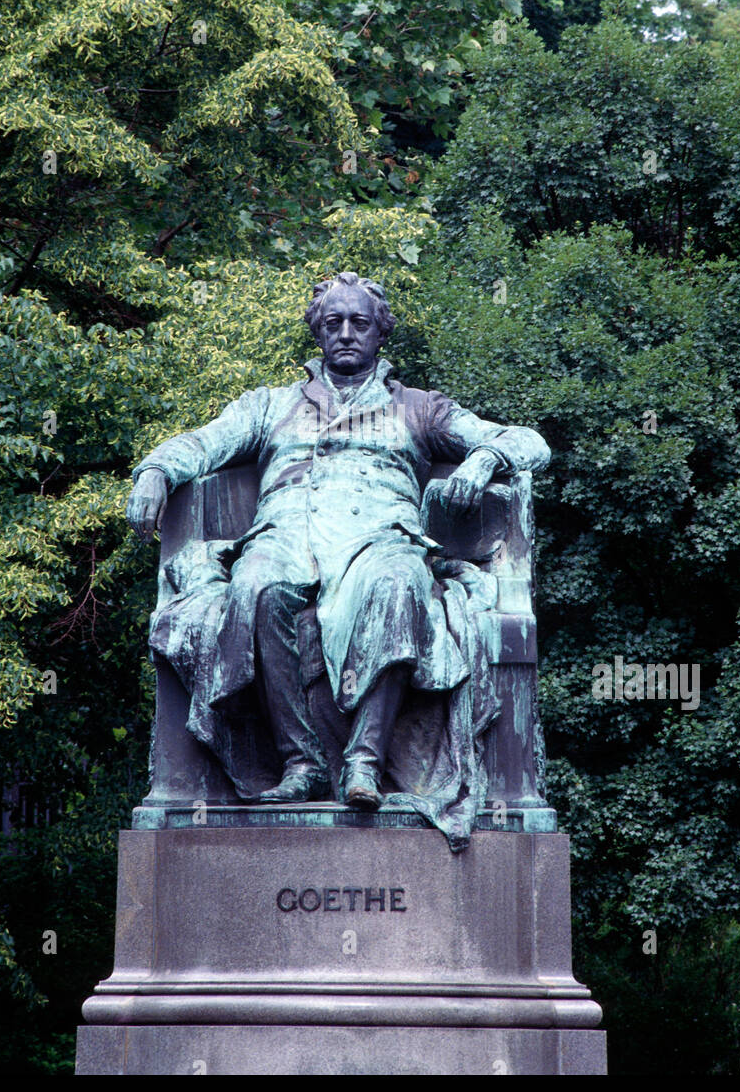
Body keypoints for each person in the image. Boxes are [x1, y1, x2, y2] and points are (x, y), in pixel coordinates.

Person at [126, 272, 550, 829]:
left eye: (359, 322)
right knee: (254, 588)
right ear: (318, 332)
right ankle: (300, 761)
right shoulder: (270, 405)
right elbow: (204, 443)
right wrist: (156, 470)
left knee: (400, 583)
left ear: (380, 333)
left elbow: (528, 441)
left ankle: (364, 761)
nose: (346, 333)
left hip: (380, 539)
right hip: (285, 538)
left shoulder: (420, 408)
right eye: (333, 323)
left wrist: (485, 459)